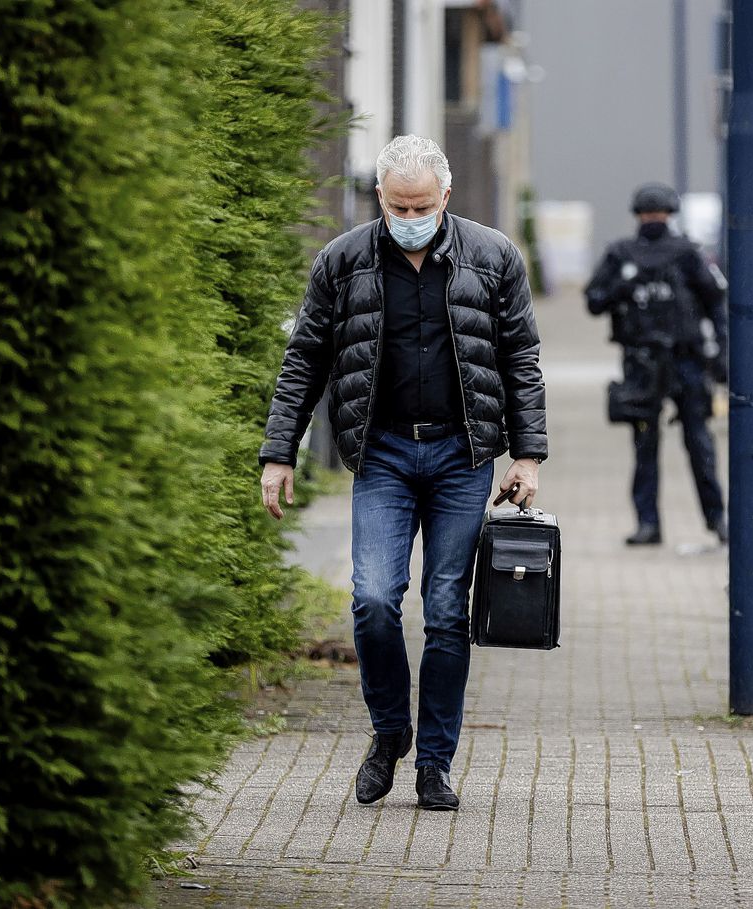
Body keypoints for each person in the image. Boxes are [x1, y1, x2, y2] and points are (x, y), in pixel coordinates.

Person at [258, 135, 547, 811]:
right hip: (382, 452)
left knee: (446, 610)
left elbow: (520, 359)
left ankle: (435, 764)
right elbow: (305, 357)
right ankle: (390, 732)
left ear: (446, 196)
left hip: (462, 456)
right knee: (373, 599)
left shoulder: (494, 257)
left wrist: (527, 455)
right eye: (397, 206)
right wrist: (279, 451)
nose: (410, 217)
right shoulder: (343, 261)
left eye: (421, 206)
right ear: (379, 198)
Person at [584, 182, 728, 546]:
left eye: (658, 214)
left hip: (685, 361)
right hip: (642, 364)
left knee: (699, 444)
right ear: (638, 216)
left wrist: (722, 353)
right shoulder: (621, 255)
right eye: (648, 214)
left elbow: (716, 302)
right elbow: (594, 300)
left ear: (669, 215)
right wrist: (621, 288)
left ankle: (717, 519)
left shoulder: (687, 254)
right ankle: (648, 524)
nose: (653, 219)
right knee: (645, 446)